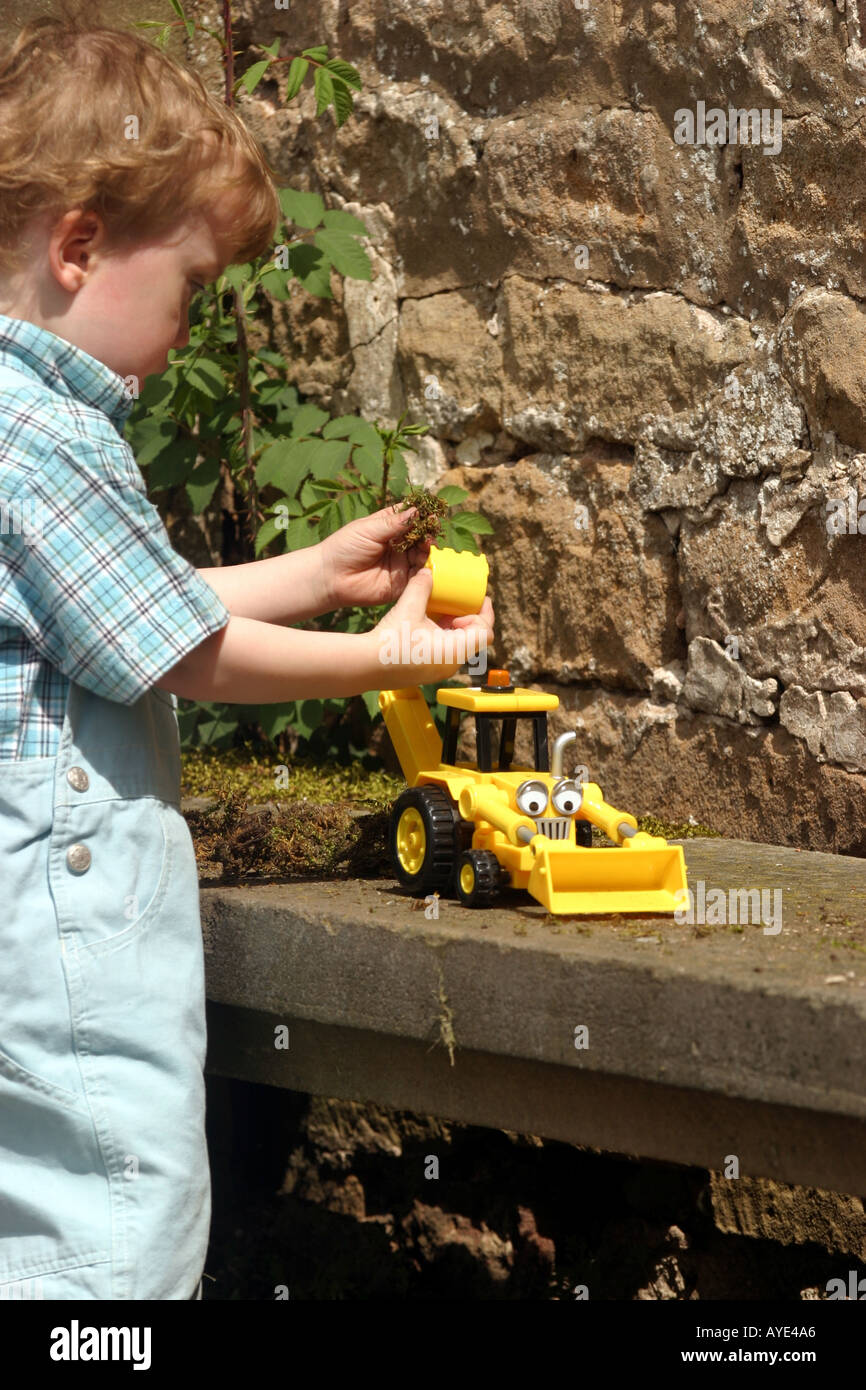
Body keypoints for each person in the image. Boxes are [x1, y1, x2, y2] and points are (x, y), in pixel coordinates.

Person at [0, 18, 493, 1300]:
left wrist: (313, 578)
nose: (196, 318)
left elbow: (106, 610)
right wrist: (388, 662)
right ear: (79, 248)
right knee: (118, 1215)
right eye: (196, 284)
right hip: (64, 943)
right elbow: (183, 652)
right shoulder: (43, 429)